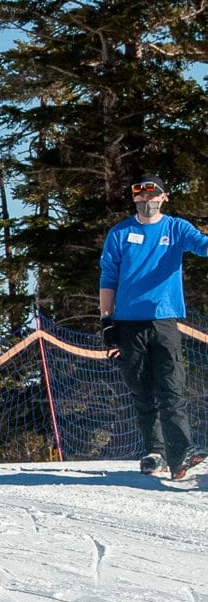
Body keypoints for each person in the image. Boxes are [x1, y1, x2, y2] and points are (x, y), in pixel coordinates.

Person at [98, 175, 208, 481]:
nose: (147, 202)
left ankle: (181, 454)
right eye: (141, 198)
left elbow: (203, 246)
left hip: (164, 321)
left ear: (164, 198)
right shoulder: (120, 233)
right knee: (142, 389)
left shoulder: (176, 228)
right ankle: (154, 451)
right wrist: (107, 321)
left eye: (153, 197)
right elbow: (108, 278)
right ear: (135, 201)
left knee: (172, 389)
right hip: (128, 324)